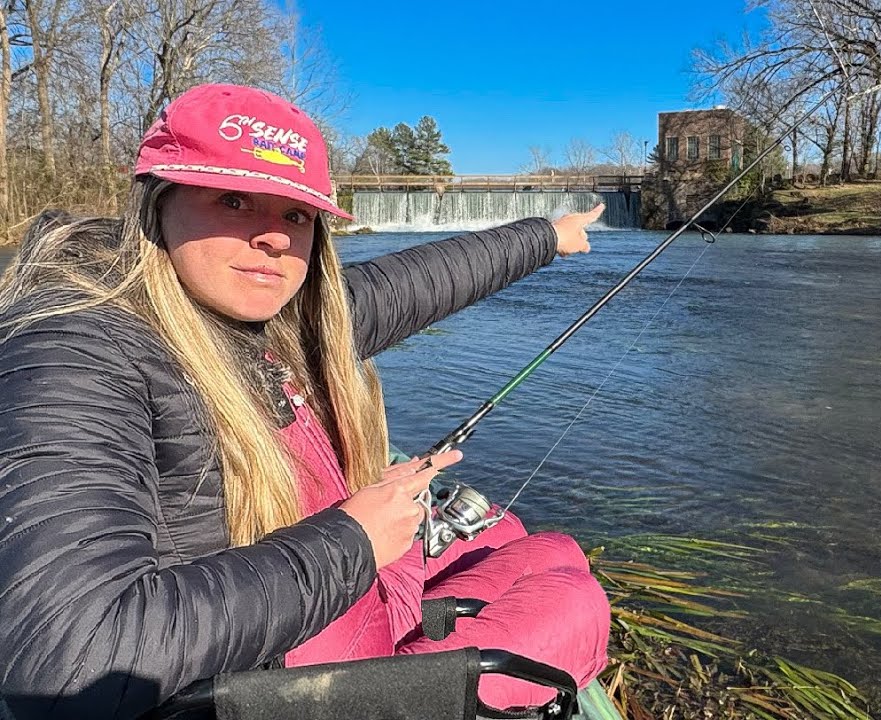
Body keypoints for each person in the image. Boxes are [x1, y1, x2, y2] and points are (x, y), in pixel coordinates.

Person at [0, 83, 611, 719]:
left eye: (295, 214)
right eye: (234, 200)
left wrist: (547, 235)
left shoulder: (269, 321)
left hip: (335, 606)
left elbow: (418, 282)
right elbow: (66, 661)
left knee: (544, 544)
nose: (274, 238)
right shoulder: (75, 350)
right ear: (157, 203)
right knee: (576, 603)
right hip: (273, 676)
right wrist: (353, 539)